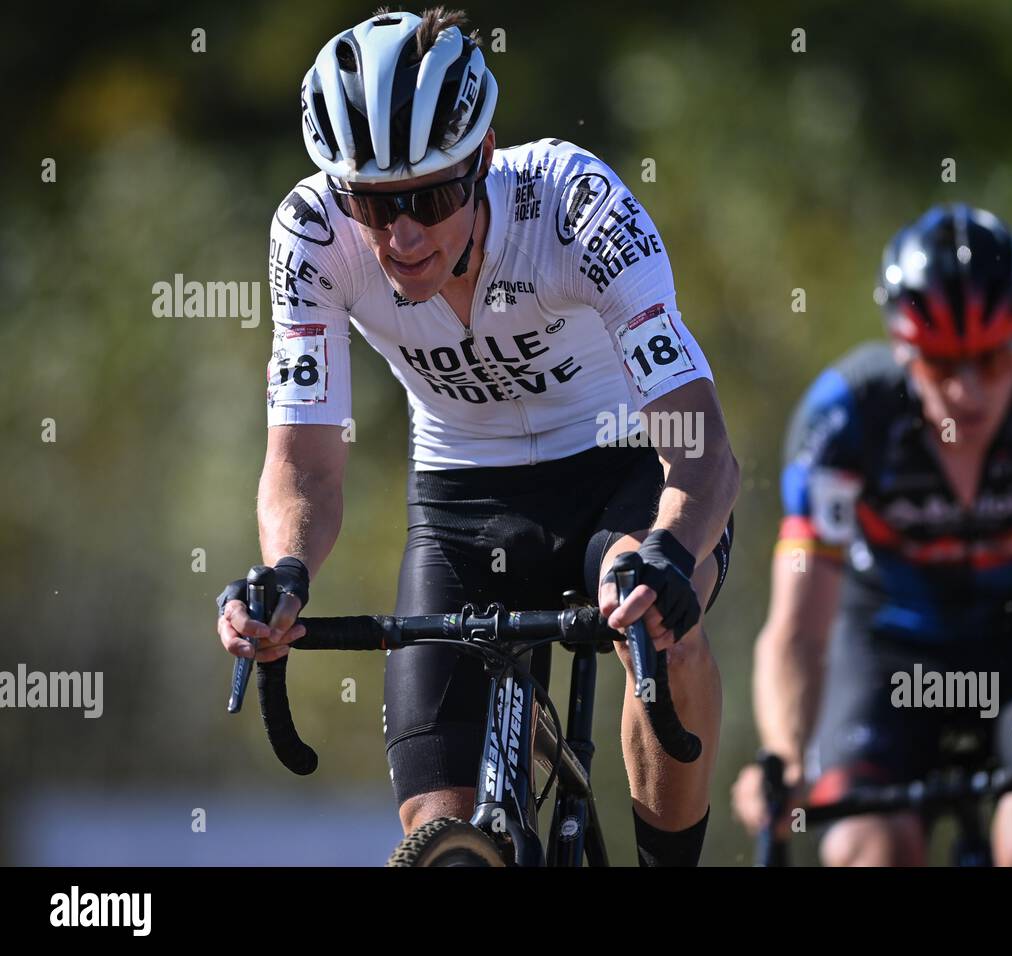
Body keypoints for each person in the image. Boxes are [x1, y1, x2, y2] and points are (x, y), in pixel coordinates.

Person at [216, 7, 738, 868]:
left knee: (653, 623)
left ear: (483, 156)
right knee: (441, 840)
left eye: (430, 196)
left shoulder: (575, 202)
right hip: (463, 501)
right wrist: (283, 574)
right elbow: (304, 463)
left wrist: (673, 554)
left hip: (622, 477)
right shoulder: (310, 234)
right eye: (374, 204)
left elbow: (701, 444)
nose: (402, 235)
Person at [731, 204, 1012, 866]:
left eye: (989, 358)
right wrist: (782, 752)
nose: (966, 389)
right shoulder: (842, 418)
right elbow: (798, 625)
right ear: (901, 349)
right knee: (869, 847)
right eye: (939, 364)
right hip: (888, 651)